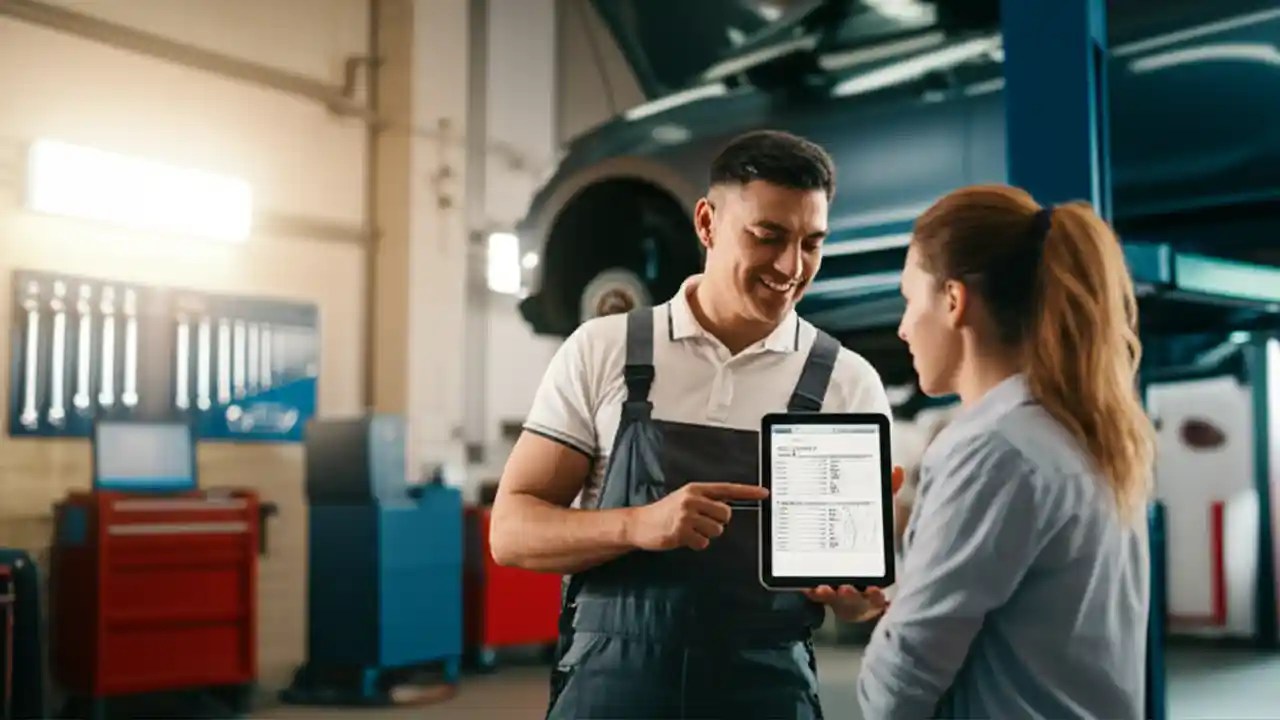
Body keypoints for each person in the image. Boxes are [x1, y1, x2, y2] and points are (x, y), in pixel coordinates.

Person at [489, 129, 893, 719]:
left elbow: (860, 599)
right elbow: (511, 532)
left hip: (766, 697)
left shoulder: (846, 383)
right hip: (611, 695)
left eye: (811, 243)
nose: (791, 266)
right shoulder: (605, 351)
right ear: (707, 223)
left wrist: (857, 599)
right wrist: (638, 525)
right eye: (768, 236)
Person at [842, 184, 1156, 719]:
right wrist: (892, 601)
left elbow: (901, 680)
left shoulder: (995, 450)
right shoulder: (1074, 430)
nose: (902, 328)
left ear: (953, 300)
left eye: (910, 299)